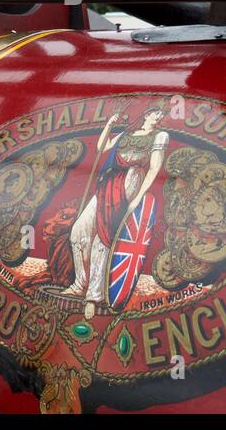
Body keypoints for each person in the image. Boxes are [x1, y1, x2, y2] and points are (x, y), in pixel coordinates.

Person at [61, 103, 168, 314]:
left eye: (162, 113)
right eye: (156, 112)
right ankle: (80, 283)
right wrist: (110, 124)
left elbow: (154, 168)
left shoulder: (160, 136)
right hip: (109, 181)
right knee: (79, 231)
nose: (159, 116)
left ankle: (94, 296)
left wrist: (138, 197)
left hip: (130, 180)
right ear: (146, 113)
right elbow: (103, 147)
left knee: (103, 237)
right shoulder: (126, 134)